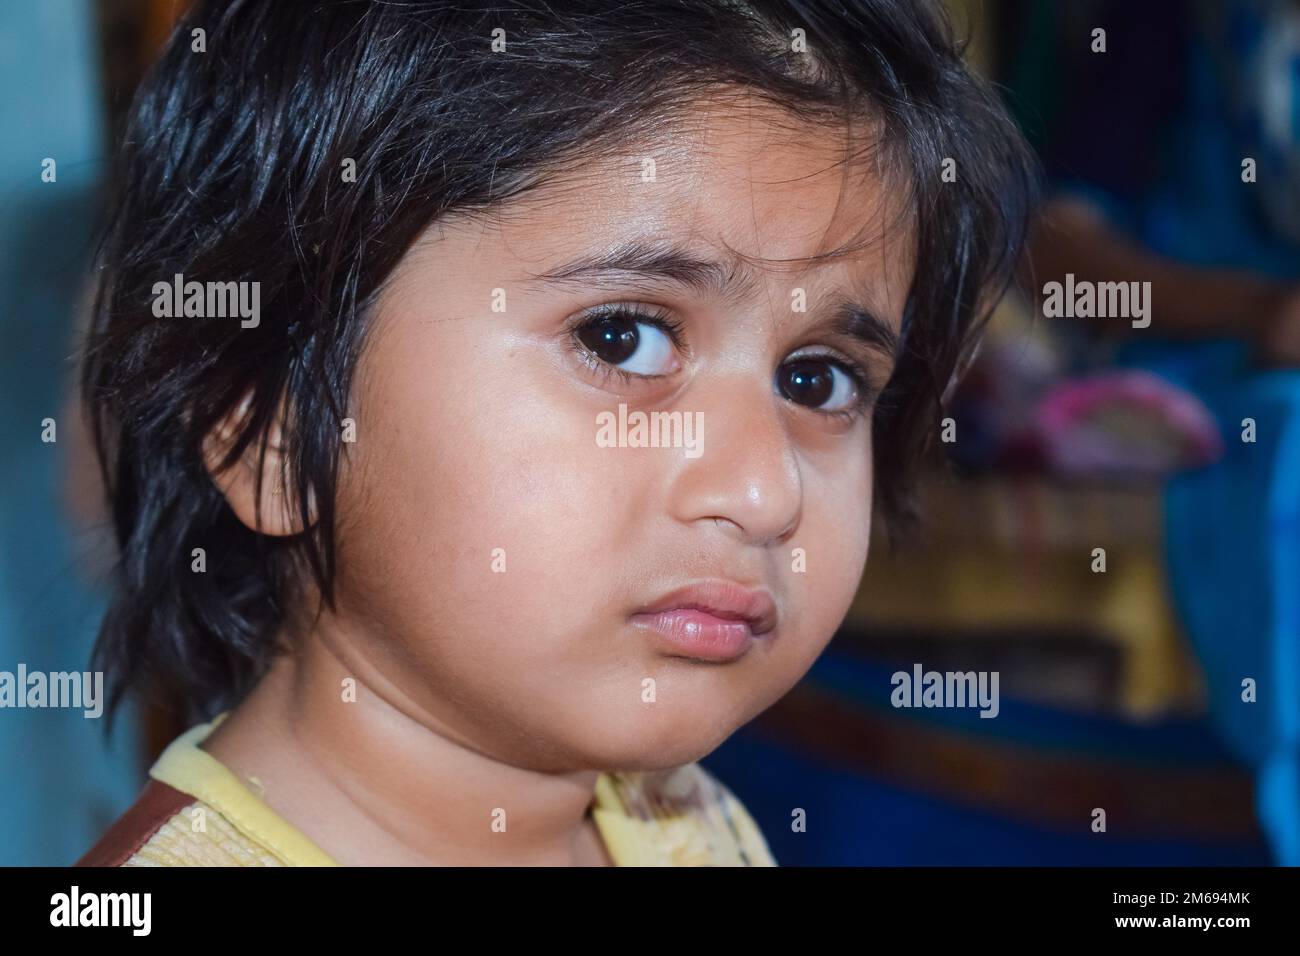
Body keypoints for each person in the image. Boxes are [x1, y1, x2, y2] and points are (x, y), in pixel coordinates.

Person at [73, 0, 1036, 866]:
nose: (763, 490)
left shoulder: (691, 828)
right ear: (270, 438)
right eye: (623, 337)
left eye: (816, 379)